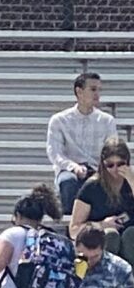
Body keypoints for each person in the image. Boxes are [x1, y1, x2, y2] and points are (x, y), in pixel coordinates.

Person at [48, 68, 119, 207]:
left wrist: (101, 170)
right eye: (93, 89)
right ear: (79, 91)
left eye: (99, 90)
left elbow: (112, 152)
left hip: (98, 171)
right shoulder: (59, 120)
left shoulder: (107, 120)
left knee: (107, 183)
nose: (97, 94)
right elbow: (55, 153)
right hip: (69, 171)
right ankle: (69, 223)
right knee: (67, 182)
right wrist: (73, 167)